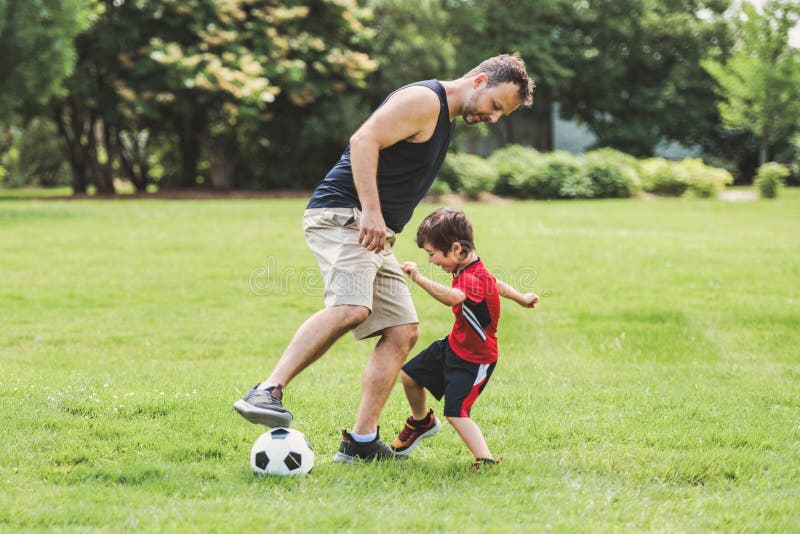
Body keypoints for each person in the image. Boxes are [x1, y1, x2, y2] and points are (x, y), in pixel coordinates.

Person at [233, 53, 535, 463]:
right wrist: (372, 212)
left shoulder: (443, 118)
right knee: (353, 307)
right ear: (480, 80)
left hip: (376, 232)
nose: (494, 118)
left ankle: (360, 443)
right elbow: (363, 140)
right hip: (346, 216)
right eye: (496, 106)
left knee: (402, 330)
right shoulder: (426, 101)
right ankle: (267, 390)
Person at [389, 207, 539, 467]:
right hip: (454, 346)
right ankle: (422, 421)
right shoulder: (474, 271)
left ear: (456, 249)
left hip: (475, 359)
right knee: (410, 376)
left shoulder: (470, 279)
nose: (432, 260)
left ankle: (485, 460)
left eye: (432, 254)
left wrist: (419, 279)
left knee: (456, 412)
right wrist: (521, 298)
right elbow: (496, 283)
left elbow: (452, 298)